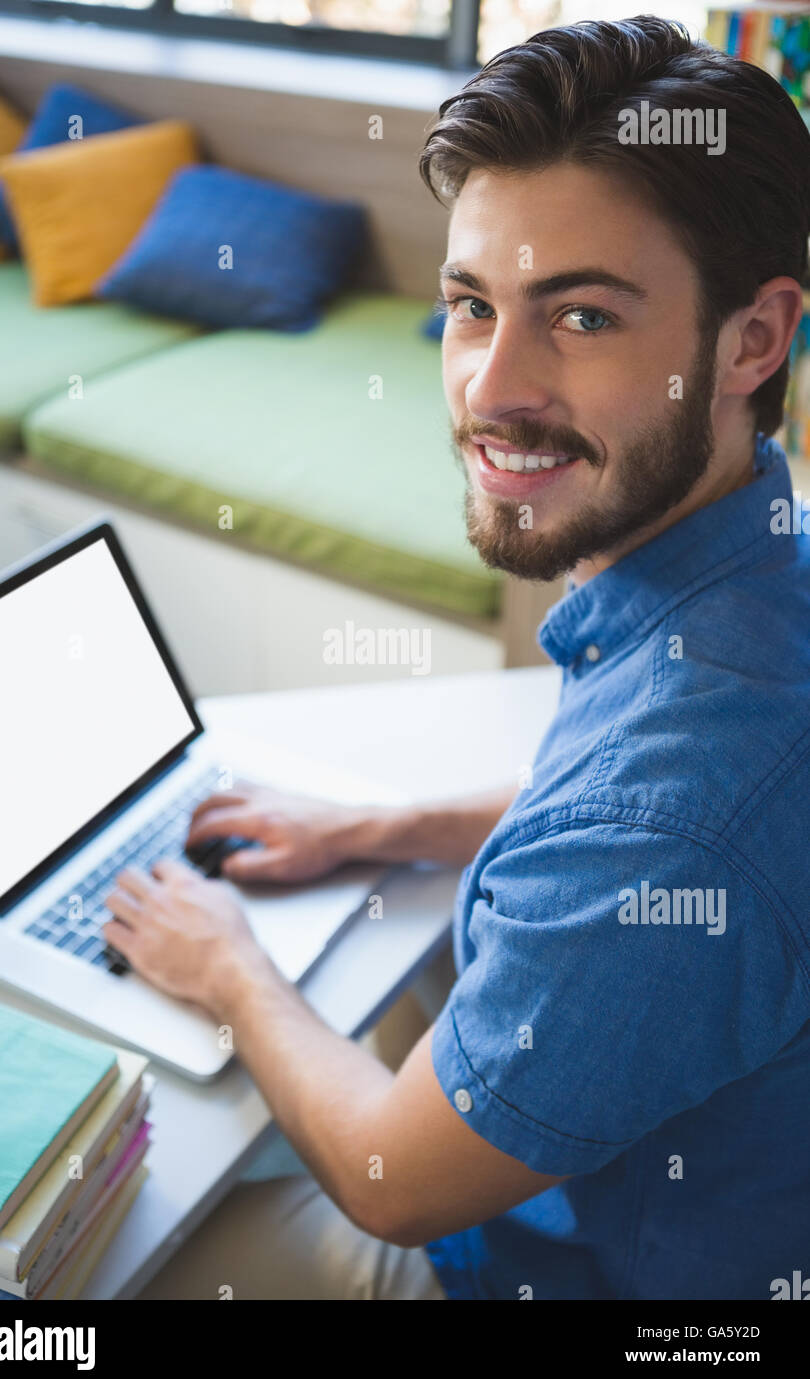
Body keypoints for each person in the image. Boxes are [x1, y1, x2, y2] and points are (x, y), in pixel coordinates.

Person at [107, 15, 810, 1299]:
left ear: (750, 342)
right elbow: (638, 816)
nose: (492, 387)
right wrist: (382, 826)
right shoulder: (764, 557)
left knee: (111, 1257)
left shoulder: (671, 815)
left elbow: (394, 1182)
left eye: (582, 317)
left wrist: (226, 968)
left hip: (533, 1271)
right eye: (469, 306)